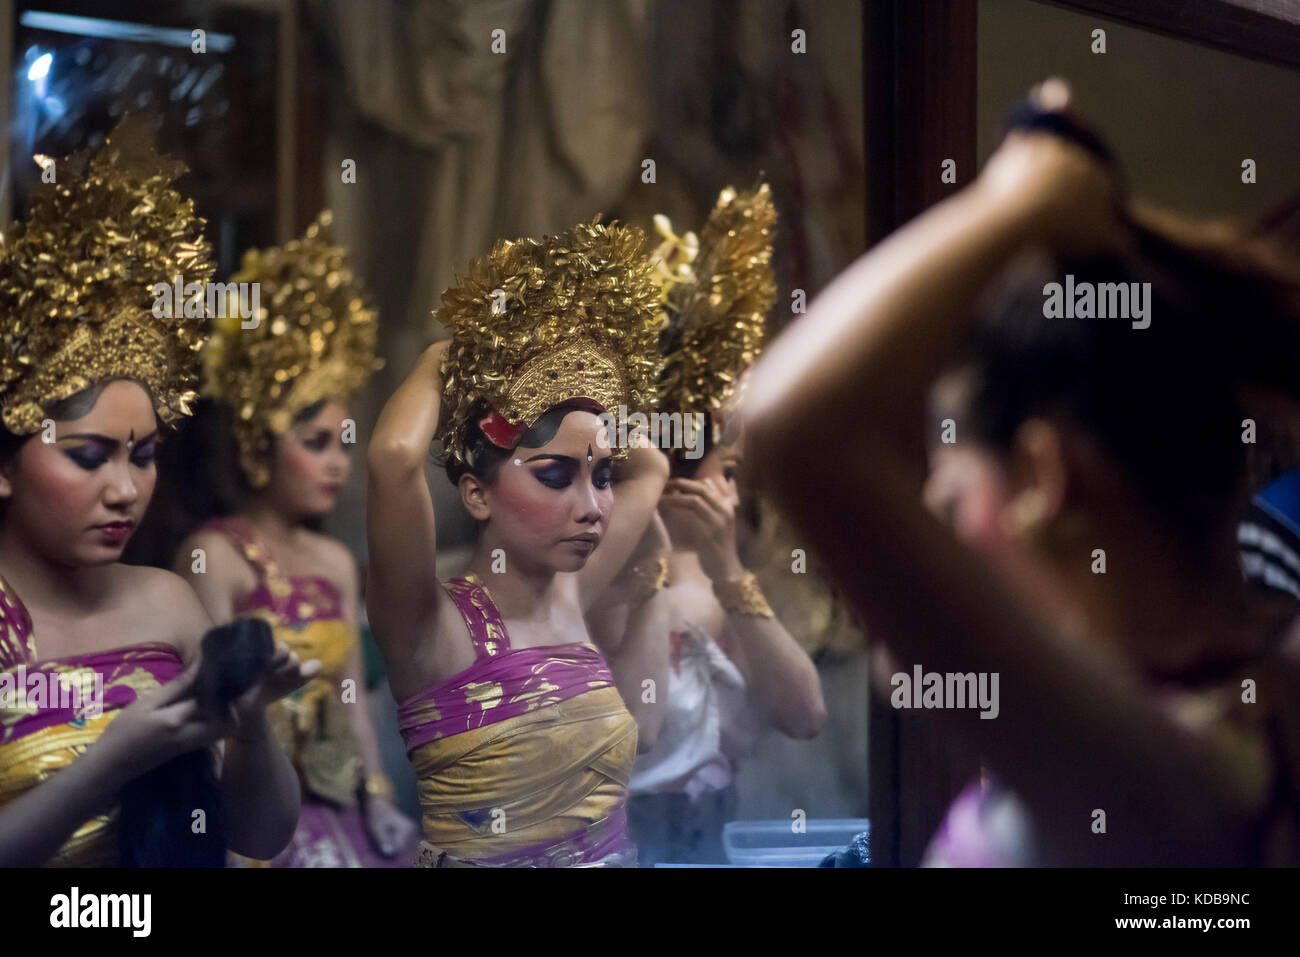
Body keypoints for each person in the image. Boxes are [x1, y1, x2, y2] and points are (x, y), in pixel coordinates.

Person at [743, 79, 1300, 866]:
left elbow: (796, 425)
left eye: (949, 492)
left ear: (1045, 476)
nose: (927, 526)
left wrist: (1029, 198)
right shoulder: (1268, 709)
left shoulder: (1150, 778)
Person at [0, 118, 310, 866]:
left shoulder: (169, 601)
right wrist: (112, 760)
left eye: (144, 456)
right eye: (88, 456)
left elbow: (261, 835)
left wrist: (253, 721)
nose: (125, 489)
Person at [366, 218, 669, 866]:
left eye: (601, 477)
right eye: (555, 476)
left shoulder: (570, 591)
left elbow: (653, 468)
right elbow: (393, 457)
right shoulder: (431, 626)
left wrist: (575, 370)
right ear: (477, 493)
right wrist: (446, 359)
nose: (592, 509)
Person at [176, 211, 418, 867]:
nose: (338, 463)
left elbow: (351, 698)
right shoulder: (214, 557)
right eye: (315, 444)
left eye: (342, 443)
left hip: (338, 805)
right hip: (253, 817)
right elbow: (203, 720)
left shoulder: (338, 561)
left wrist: (378, 795)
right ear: (259, 447)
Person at [596, 186, 826, 865]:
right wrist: (648, 561)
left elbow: (805, 713)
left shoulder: (732, 571)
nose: (736, 490)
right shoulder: (597, 561)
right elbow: (637, 732)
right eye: (726, 468)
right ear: (669, 469)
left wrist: (730, 575)